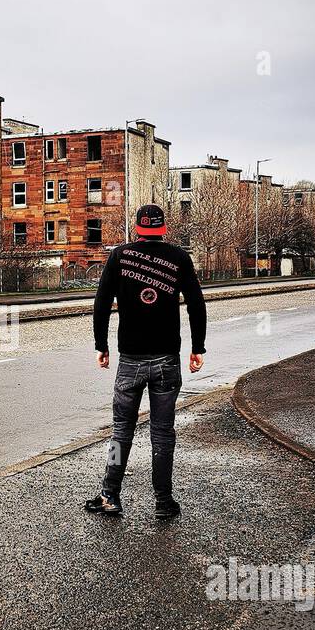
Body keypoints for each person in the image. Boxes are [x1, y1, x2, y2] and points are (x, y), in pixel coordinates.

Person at [85, 203, 207, 520]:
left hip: (130, 360)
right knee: (163, 433)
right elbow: (196, 303)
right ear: (163, 229)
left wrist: (101, 345)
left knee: (120, 432)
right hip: (167, 360)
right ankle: (164, 502)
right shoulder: (179, 258)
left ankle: (110, 496)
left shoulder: (119, 256)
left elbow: (101, 304)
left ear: (137, 229)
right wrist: (198, 347)